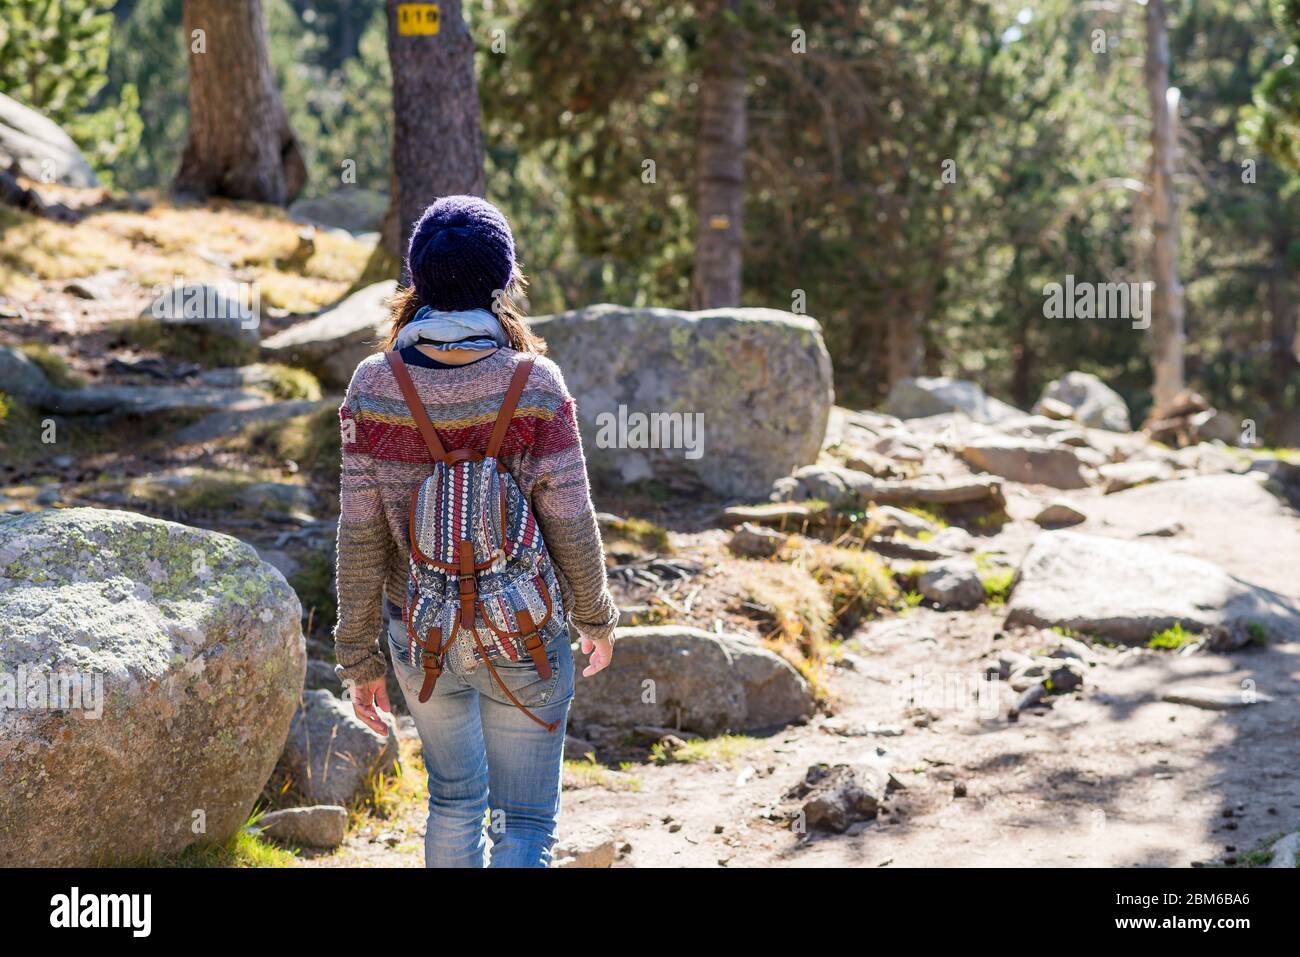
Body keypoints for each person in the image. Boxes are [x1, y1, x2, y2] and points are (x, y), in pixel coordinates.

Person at [332, 195, 618, 867]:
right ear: (503, 282)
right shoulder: (536, 382)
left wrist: (358, 655)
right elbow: (571, 518)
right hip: (525, 631)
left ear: (419, 280)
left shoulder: (374, 384)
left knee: (454, 802)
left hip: (421, 631)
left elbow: (359, 531)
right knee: (523, 820)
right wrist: (595, 616)